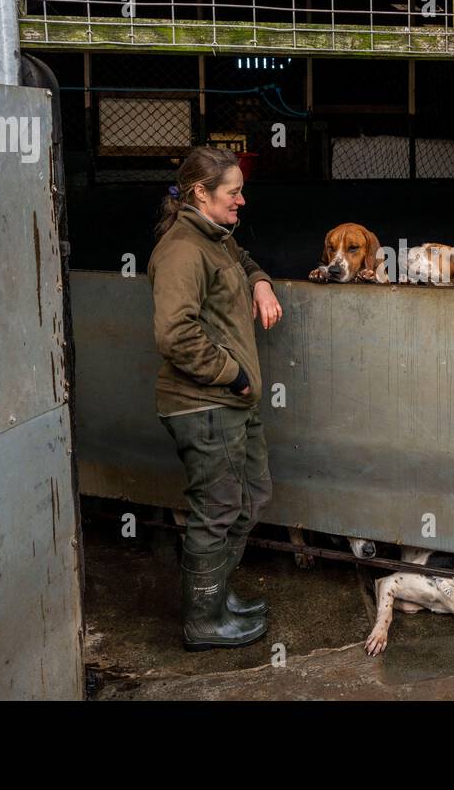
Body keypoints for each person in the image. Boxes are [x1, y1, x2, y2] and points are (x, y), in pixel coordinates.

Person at [148, 146, 283, 650]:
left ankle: (218, 597)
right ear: (200, 193)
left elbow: (241, 258)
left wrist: (261, 282)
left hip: (231, 403)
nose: (242, 200)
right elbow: (175, 333)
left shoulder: (215, 239)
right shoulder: (183, 249)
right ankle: (203, 620)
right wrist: (233, 376)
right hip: (205, 404)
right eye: (233, 192)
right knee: (218, 509)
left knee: (251, 498)